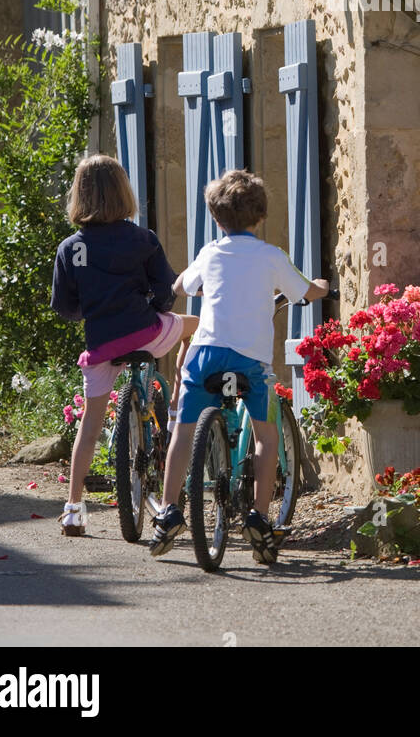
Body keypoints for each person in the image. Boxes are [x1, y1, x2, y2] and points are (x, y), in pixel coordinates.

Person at [149, 168, 327, 563]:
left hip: (206, 354)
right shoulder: (272, 257)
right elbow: (304, 292)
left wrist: (178, 285)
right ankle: (259, 517)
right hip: (250, 363)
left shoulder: (210, 252)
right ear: (260, 216)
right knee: (266, 435)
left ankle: (168, 510)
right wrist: (322, 286)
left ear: (216, 217)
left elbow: (183, 286)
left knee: (183, 429)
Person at [51, 154, 198, 537]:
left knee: (90, 421)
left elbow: (66, 308)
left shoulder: (71, 248)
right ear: (123, 192)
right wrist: (154, 308)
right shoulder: (141, 239)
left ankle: (72, 508)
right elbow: (166, 292)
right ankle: (182, 399)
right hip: (145, 332)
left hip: (100, 345)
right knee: (196, 326)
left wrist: (95, 310)